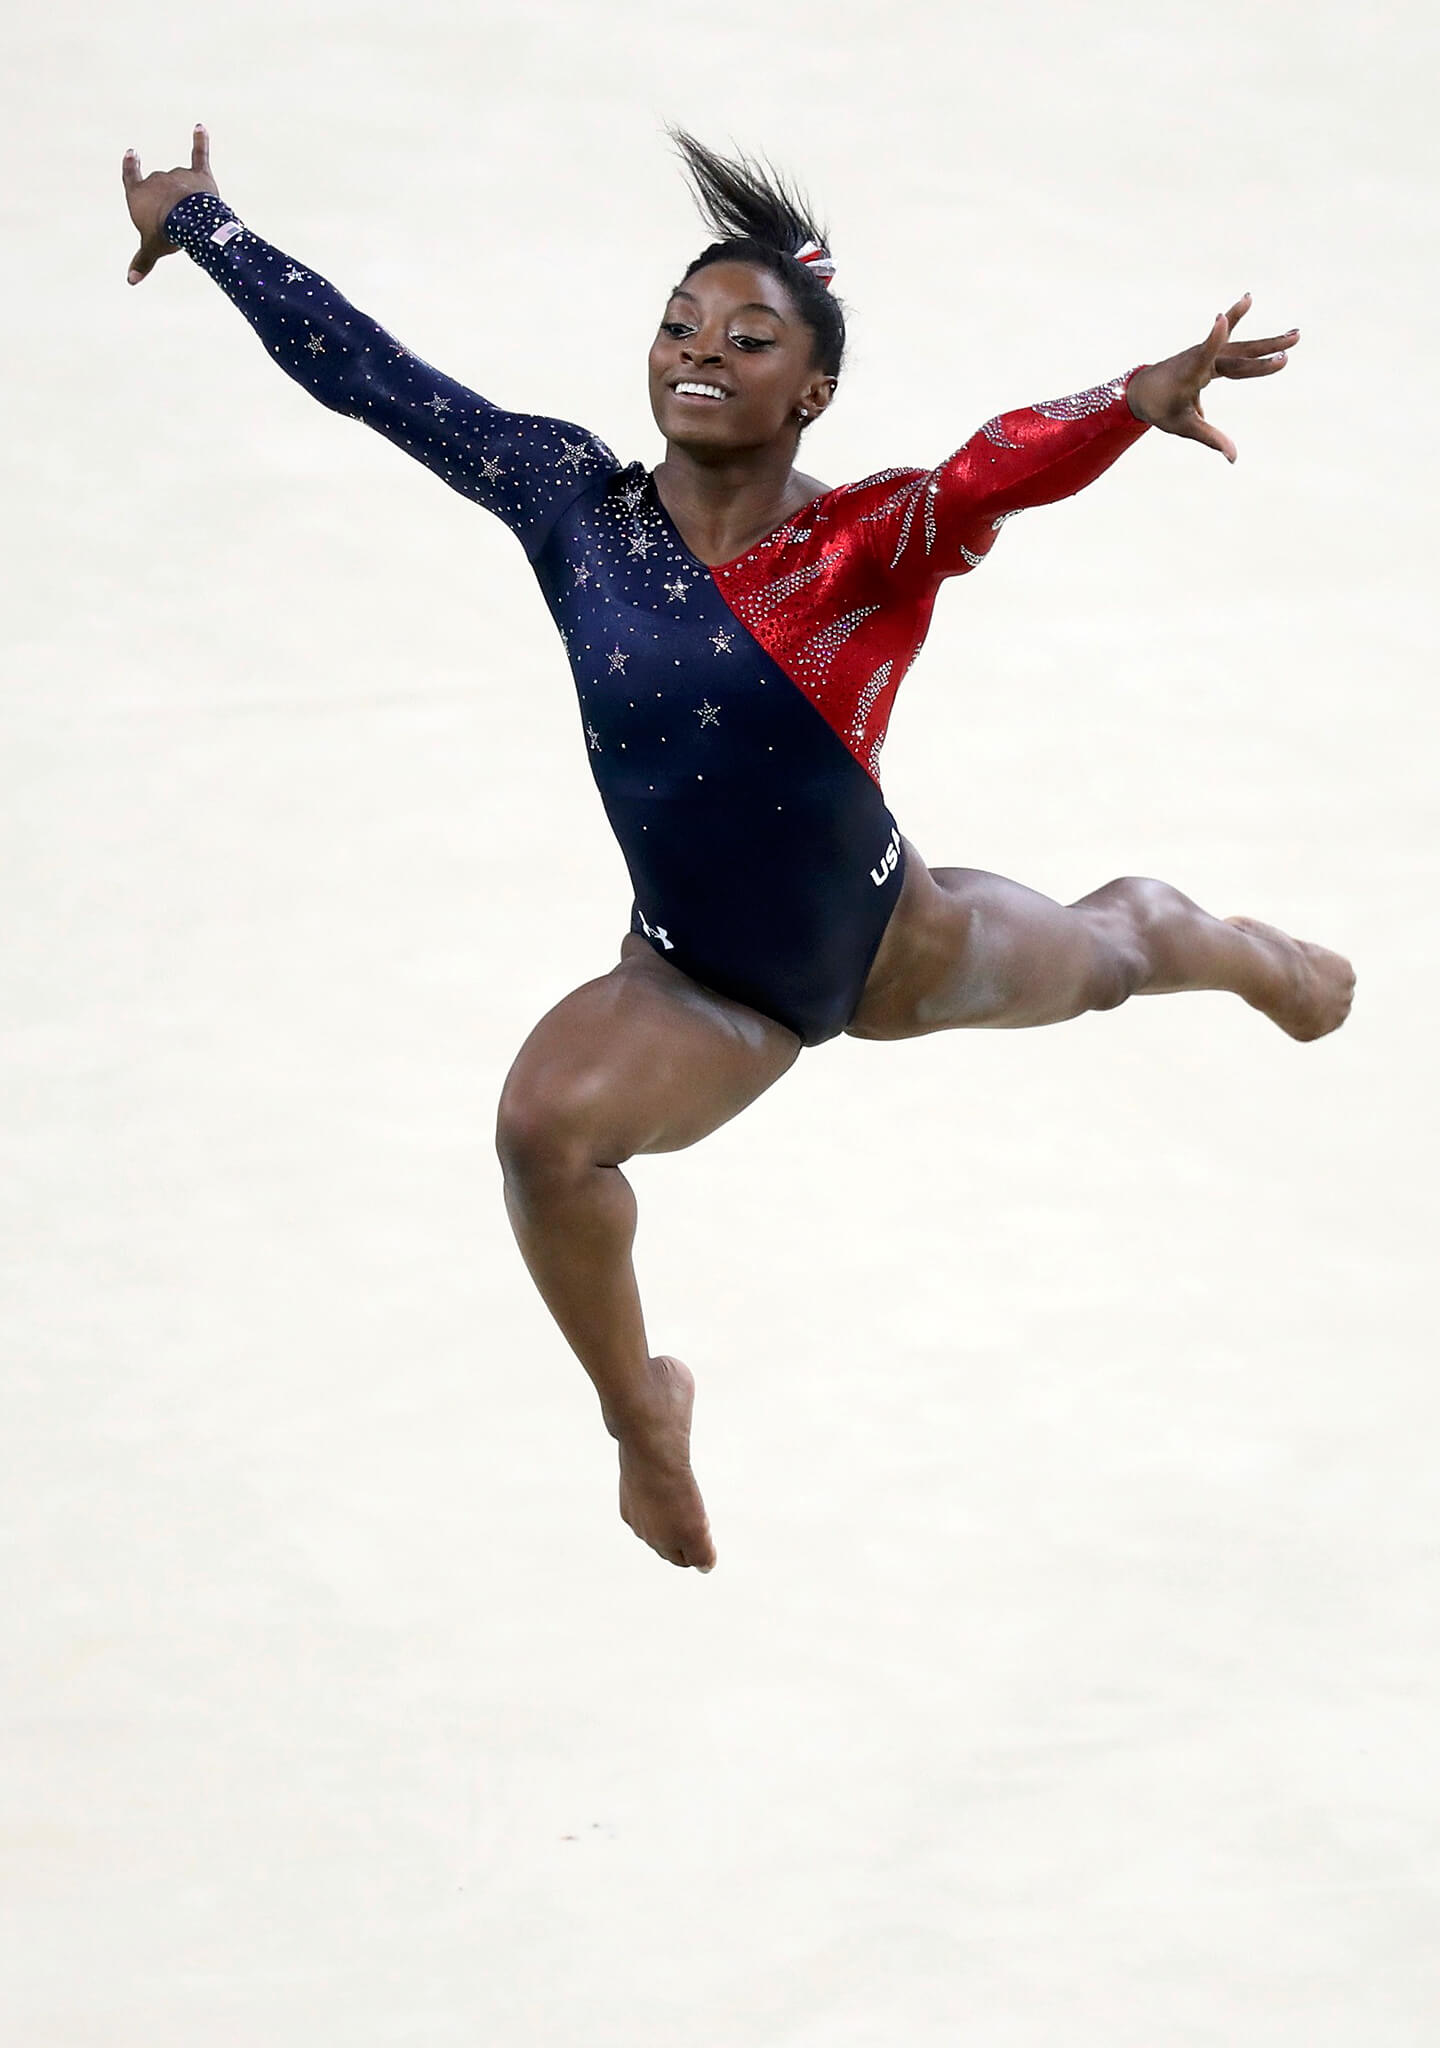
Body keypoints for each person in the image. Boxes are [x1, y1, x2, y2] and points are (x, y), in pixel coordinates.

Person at [121, 124, 1354, 1575]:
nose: (699, 353)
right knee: (544, 1136)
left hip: (895, 940)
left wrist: (1134, 400)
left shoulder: (866, 543)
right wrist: (209, 228)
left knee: (1111, 955)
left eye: (749, 340)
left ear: (813, 390)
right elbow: (375, 378)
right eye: (679, 325)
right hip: (698, 982)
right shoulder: (572, 504)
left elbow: (985, 476)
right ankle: (642, 1416)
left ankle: (1238, 948)